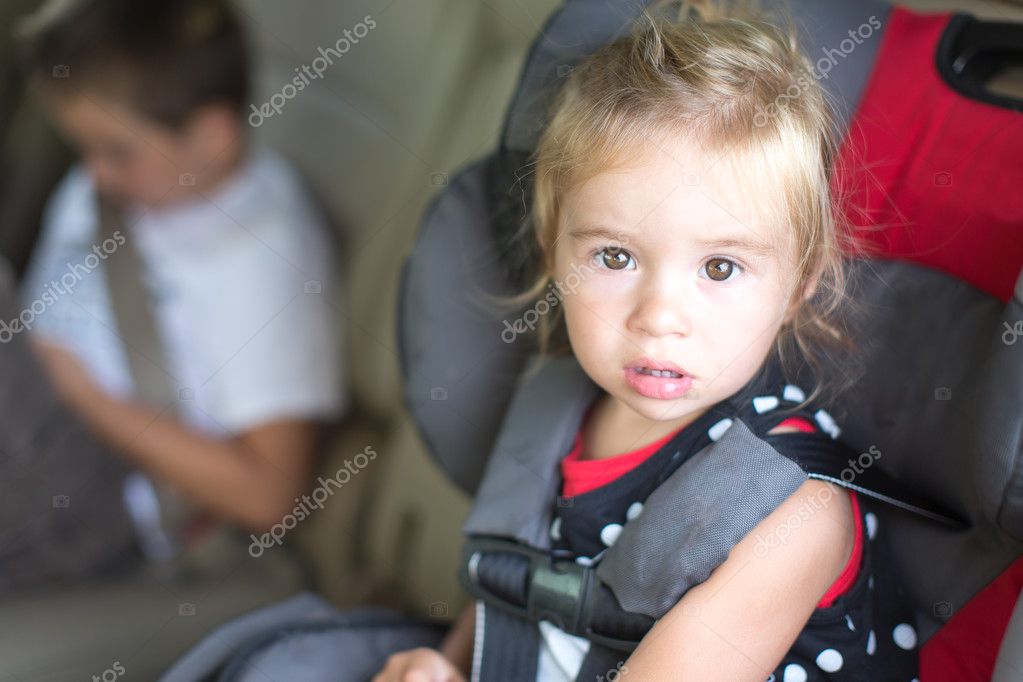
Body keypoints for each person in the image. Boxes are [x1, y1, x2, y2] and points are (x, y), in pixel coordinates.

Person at [373, 2, 918, 680]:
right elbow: (518, 588)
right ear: (552, 251)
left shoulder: (790, 516)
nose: (658, 316)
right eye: (614, 256)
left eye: (720, 267)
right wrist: (447, 666)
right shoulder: (553, 412)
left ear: (800, 283)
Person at [4, 0, 344, 589]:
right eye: (86, 149)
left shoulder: (262, 258)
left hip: (96, 497)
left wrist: (81, 394)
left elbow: (271, 495)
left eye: (117, 152)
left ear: (211, 137)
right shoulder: (124, 182)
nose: (98, 174)